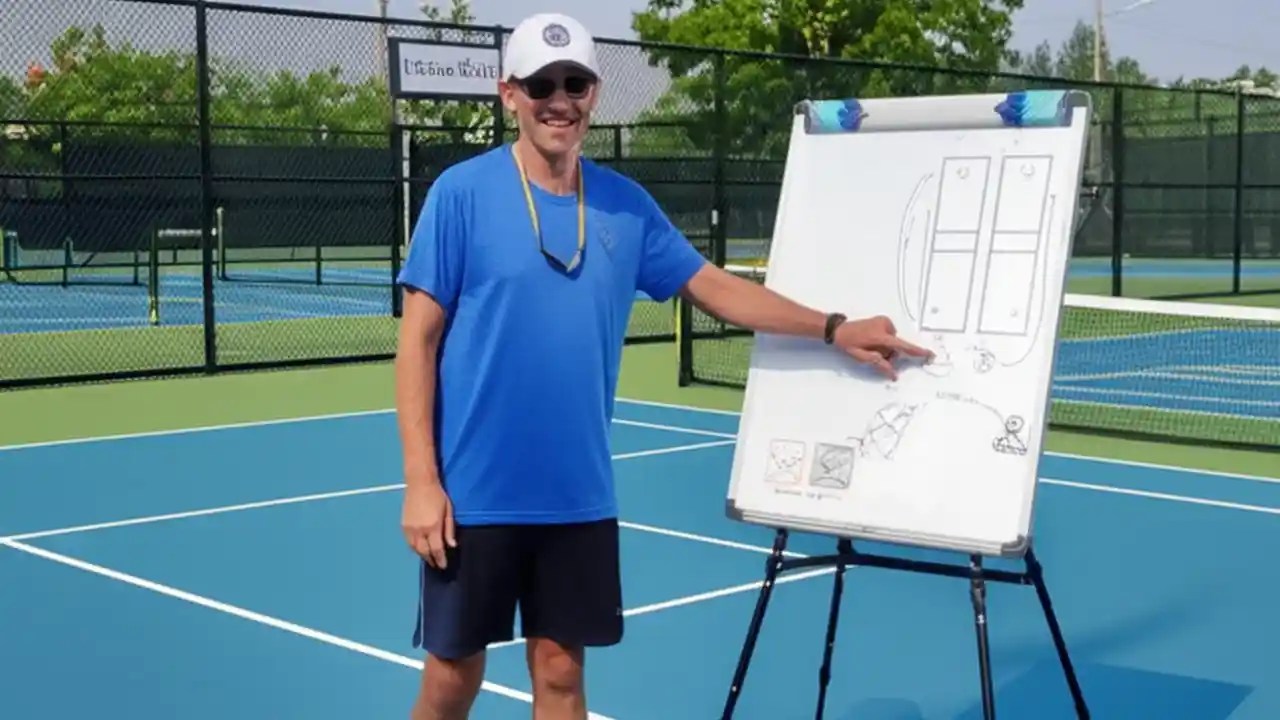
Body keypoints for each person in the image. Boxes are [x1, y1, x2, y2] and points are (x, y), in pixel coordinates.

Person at [393, 12, 933, 720]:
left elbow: (716, 288)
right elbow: (418, 343)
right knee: (451, 679)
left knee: (560, 675)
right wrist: (422, 483)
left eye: (575, 83)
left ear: (594, 92)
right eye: (541, 85)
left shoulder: (625, 206)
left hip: (577, 496)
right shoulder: (460, 195)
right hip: (474, 496)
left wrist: (832, 328)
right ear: (509, 94)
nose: (559, 99)